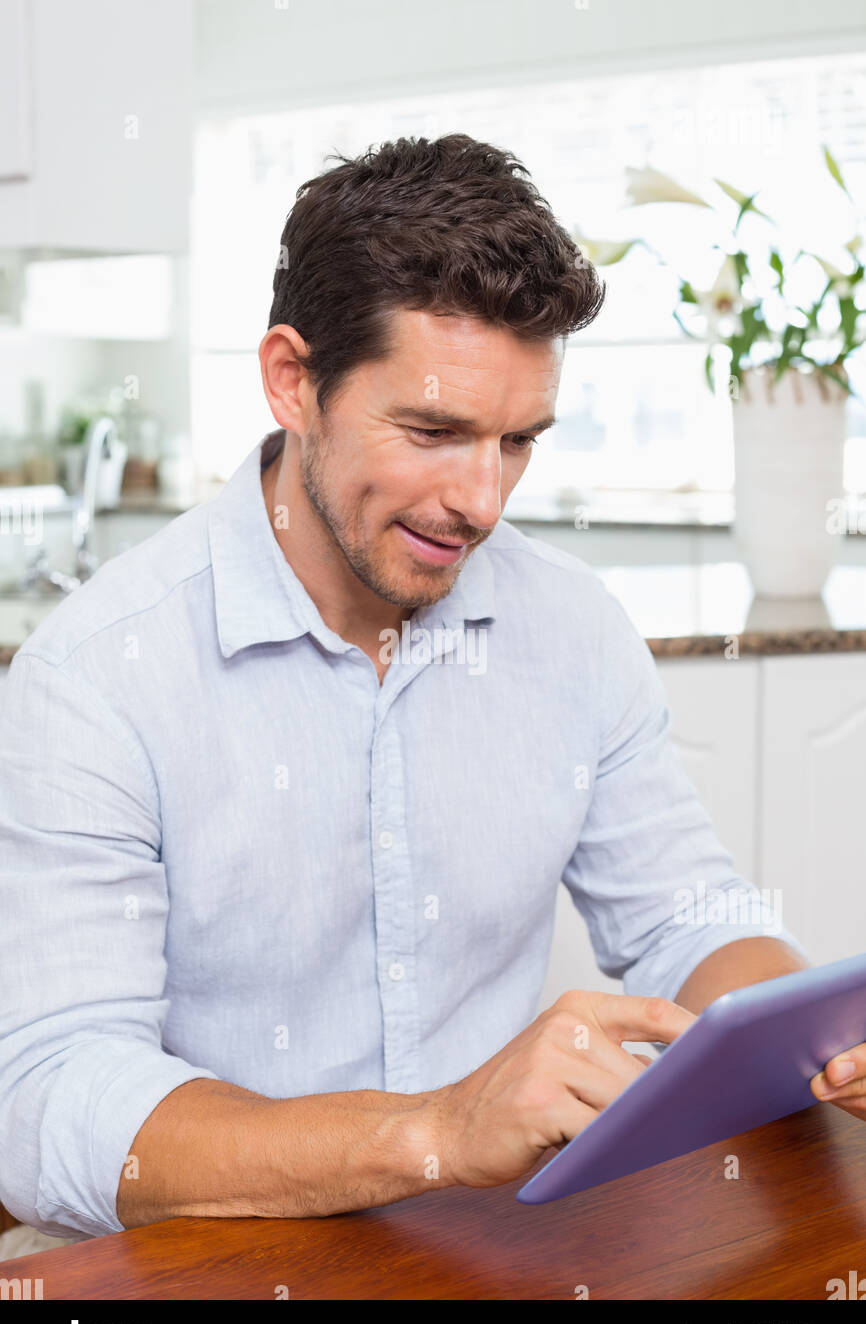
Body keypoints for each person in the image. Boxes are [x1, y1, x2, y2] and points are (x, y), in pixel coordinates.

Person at [0, 134, 859, 1242]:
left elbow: (687, 919)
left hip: (490, 1248)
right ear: (291, 381)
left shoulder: (570, 629)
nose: (481, 499)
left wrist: (819, 1036)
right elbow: (47, 1100)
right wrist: (435, 1130)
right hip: (195, 1259)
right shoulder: (97, 678)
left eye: (516, 442)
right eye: (434, 431)